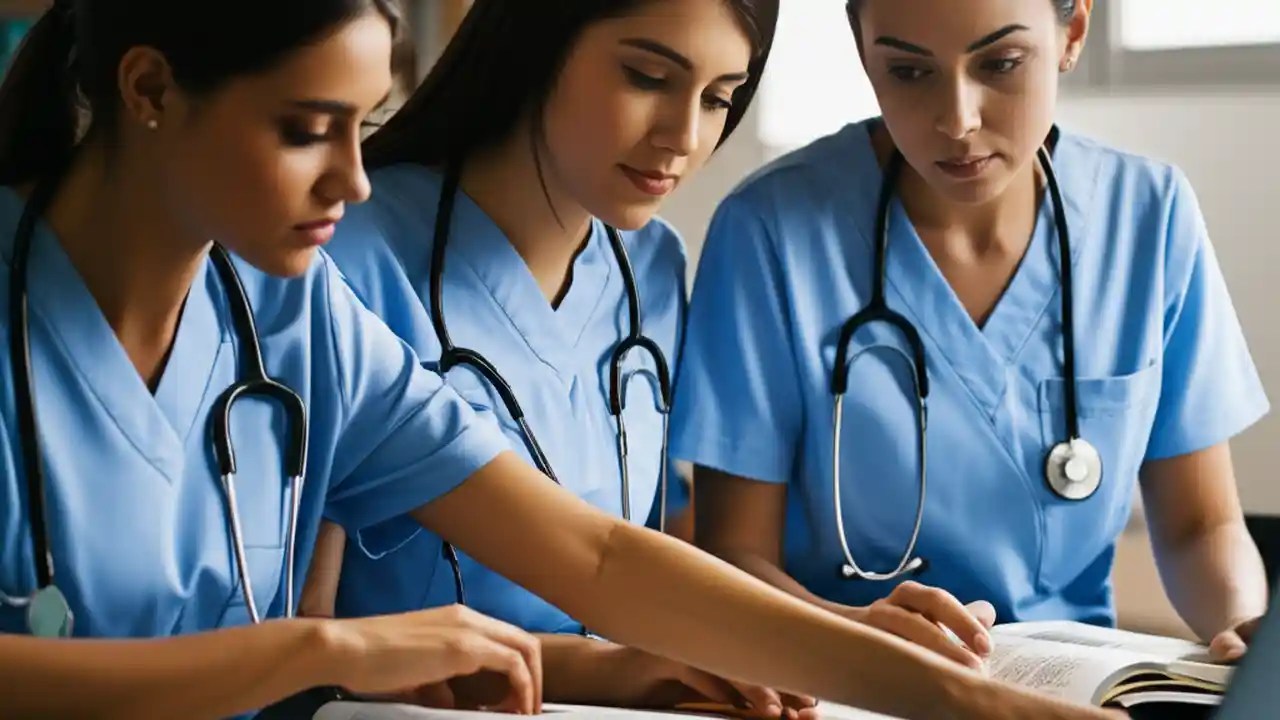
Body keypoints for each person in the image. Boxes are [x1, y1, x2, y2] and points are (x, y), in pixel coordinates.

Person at [0, 2, 1124, 719]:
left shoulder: (289, 315)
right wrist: (316, 650)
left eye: (362, 125)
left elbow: (592, 554)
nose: (352, 182)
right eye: (307, 131)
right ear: (147, 91)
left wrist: (955, 701)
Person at [670, 0, 1271, 669]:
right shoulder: (771, 231)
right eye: (908, 71)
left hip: (1076, 682)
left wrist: (1245, 629)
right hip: (842, 682)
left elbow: (1200, 527)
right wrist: (856, 635)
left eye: (1001, 63)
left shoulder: (1148, 217)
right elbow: (732, 557)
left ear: (1071, 33)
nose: (956, 120)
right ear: (862, 48)